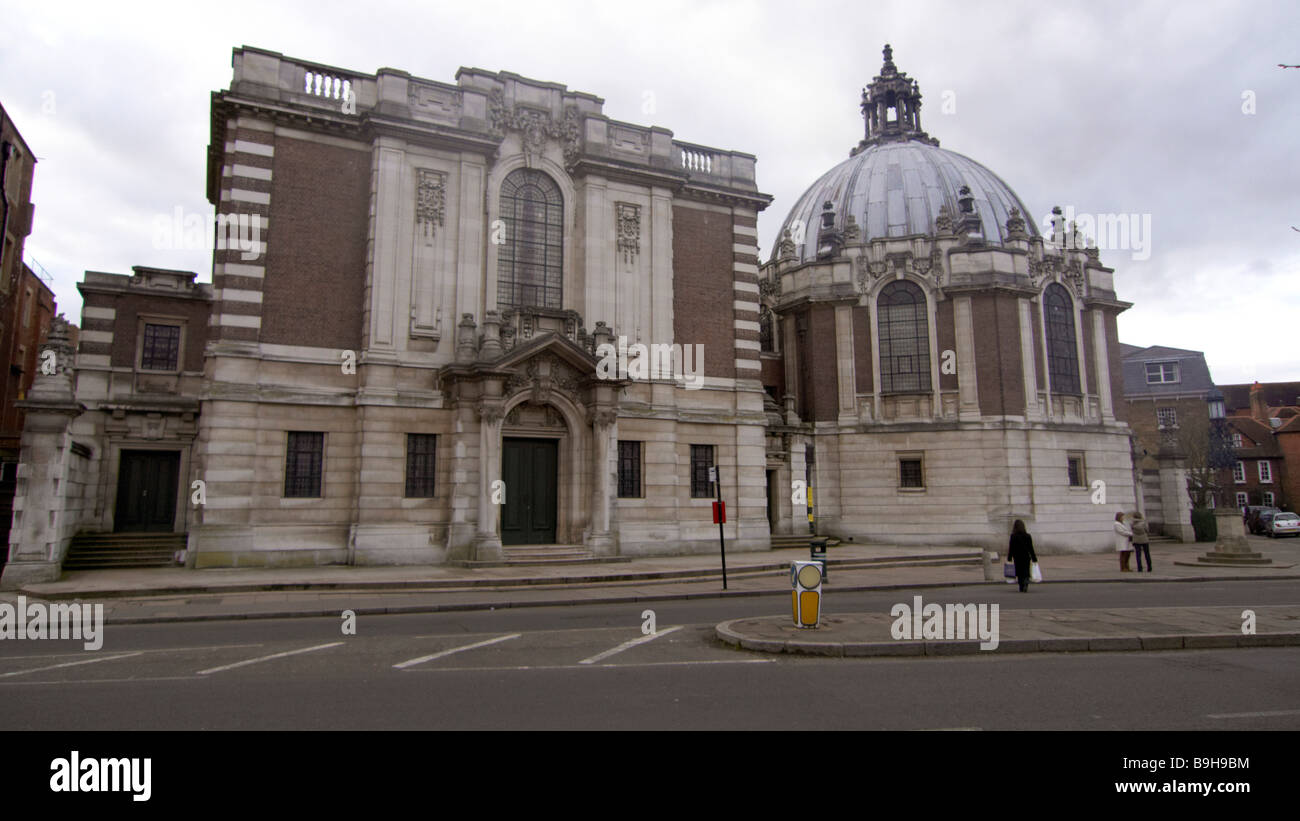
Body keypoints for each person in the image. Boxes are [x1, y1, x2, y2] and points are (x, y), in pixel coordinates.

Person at [1007, 519, 1037, 592]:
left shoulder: (1013, 536)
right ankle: (1026, 581)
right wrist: (1034, 558)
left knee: (1019, 572)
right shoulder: (1028, 536)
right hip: (1026, 556)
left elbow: (1011, 548)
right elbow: (1031, 548)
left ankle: (1021, 586)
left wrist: (1009, 557)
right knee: (1026, 570)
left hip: (1017, 557)